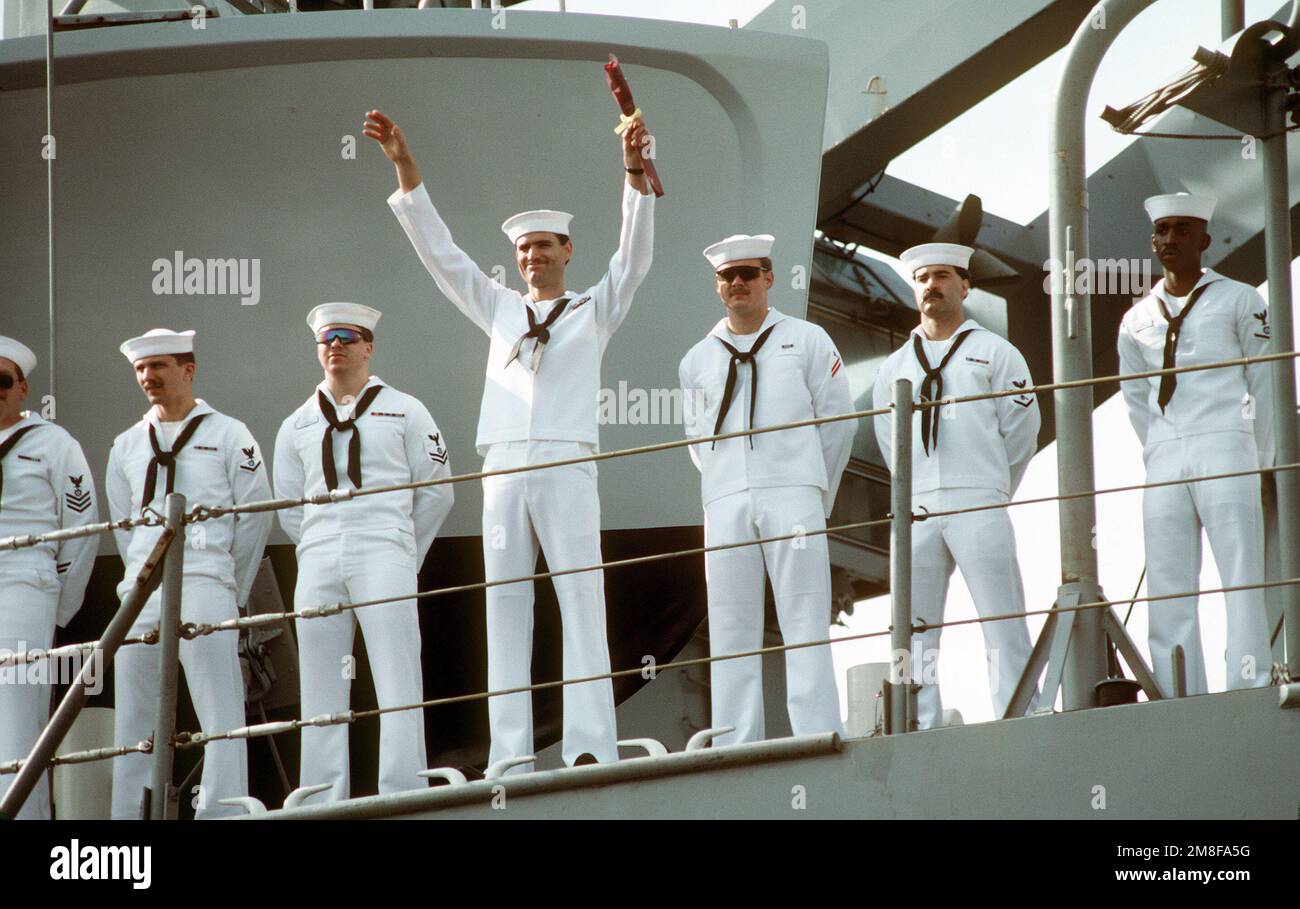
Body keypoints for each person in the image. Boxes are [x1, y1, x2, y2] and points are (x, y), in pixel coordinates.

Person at [366, 107, 654, 771]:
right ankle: (510, 755)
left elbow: (634, 258)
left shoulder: (593, 310)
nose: (534, 256)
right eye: (525, 249)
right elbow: (441, 255)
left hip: (566, 460)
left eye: (546, 246)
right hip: (503, 467)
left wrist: (633, 174)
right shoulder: (498, 306)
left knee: (581, 597)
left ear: (567, 252)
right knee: (506, 605)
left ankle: (590, 744)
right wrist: (407, 169)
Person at [274, 303, 454, 803]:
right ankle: (321, 799)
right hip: (319, 555)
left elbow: (437, 490)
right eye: (327, 338)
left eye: (347, 337)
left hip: (384, 546)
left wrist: (401, 547)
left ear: (368, 347)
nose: (336, 346)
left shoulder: (406, 410)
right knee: (321, 681)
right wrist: (319, 543)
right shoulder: (297, 424)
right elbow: (291, 505)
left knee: (397, 674)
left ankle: (403, 792)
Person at [678, 234, 854, 745]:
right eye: (728, 276)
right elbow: (697, 439)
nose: (738, 283)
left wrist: (812, 491)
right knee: (731, 624)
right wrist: (725, 482)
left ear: (769, 279)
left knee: (804, 614)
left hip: (793, 491)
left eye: (748, 274)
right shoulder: (696, 360)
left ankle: (817, 731)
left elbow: (838, 422)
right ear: (718, 286)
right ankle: (736, 739)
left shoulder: (808, 339)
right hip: (726, 498)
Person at [872, 243, 1040, 729]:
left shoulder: (995, 353)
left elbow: (1022, 431)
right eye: (923, 277)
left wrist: (991, 487)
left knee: (1001, 617)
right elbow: (890, 441)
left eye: (943, 276)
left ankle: (1018, 714)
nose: (932, 285)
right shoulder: (894, 367)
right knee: (913, 629)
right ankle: (918, 722)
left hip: (979, 499)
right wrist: (914, 490)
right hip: (917, 506)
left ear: (965, 286)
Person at [107, 329, 272, 818]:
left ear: (188, 369)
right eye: (141, 369)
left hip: (205, 580)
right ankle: (132, 817)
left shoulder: (229, 434)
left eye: (158, 366)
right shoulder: (127, 445)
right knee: (134, 718)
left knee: (219, 708)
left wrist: (228, 584)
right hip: (140, 592)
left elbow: (255, 515)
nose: (148, 377)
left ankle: (223, 811)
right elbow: (124, 523)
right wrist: (139, 576)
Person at [1117, 192, 1274, 696]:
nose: (1170, 240)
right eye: (1162, 230)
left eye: (1183, 230)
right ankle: (1178, 691)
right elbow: (1136, 396)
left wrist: (1267, 460)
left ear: (1204, 240)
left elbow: (1266, 381)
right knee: (1168, 584)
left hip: (1226, 444)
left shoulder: (1239, 299)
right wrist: (1157, 449)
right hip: (1165, 454)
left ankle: (1246, 685)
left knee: (1242, 575)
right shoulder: (1137, 317)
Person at [0, 337, 98, 820]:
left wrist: (58, 605)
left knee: (19, 721)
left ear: (23, 389)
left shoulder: (54, 444)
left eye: (3, 381)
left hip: (24, 581)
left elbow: (80, 530)